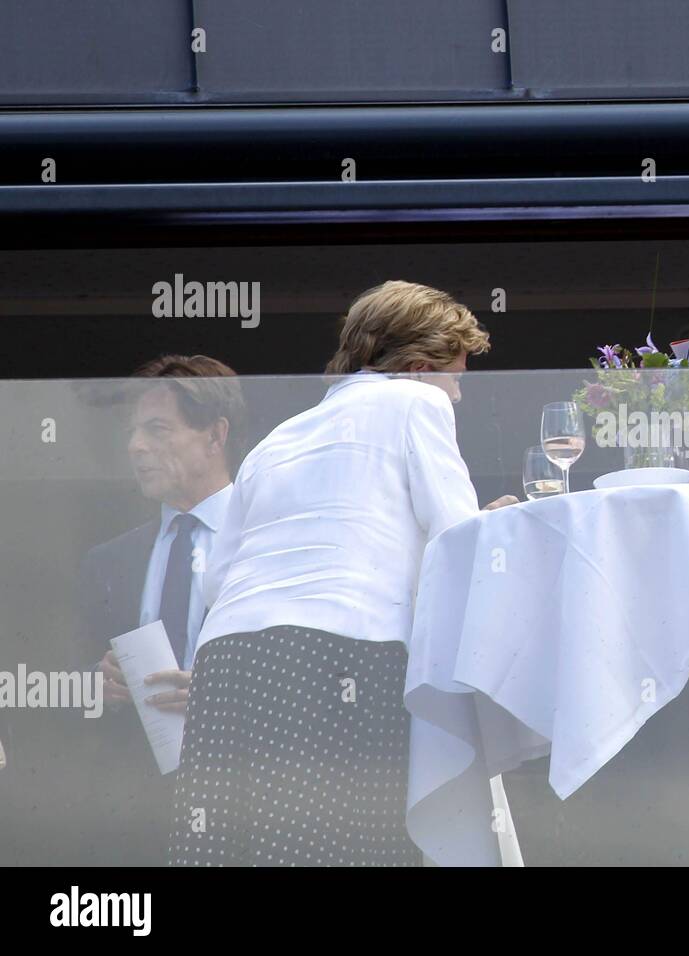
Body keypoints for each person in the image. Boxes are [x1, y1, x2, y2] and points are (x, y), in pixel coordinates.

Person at [167, 280, 511, 866]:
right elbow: (456, 541)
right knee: (344, 848)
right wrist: (499, 528)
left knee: (223, 850)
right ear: (420, 368)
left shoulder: (277, 439)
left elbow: (217, 580)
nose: (457, 394)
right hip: (341, 654)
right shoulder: (416, 402)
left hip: (226, 661)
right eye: (456, 377)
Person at [79, 354, 246, 864]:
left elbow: (313, 674)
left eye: (156, 429)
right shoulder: (108, 560)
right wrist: (96, 686)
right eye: (132, 432)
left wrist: (230, 695)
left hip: (248, 800)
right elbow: (56, 681)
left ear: (215, 436)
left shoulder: (269, 545)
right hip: (133, 815)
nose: (136, 446)